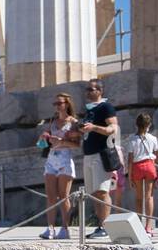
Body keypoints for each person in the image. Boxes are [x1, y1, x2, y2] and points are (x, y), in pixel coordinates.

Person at [81, 79, 119, 239]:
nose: (88, 92)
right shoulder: (88, 109)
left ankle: (105, 226)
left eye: (92, 89)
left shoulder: (106, 107)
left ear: (100, 91)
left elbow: (113, 128)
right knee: (94, 193)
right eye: (87, 89)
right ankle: (100, 225)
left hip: (101, 154)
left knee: (103, 191)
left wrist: (94, 127)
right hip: (88, 154)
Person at [39, 93, 81, 239]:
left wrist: (61, 142)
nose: (57, 106)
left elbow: (77, 144)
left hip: (65, 160)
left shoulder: (74, 122)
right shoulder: (52, 121)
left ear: (66, 104)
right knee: (50, 196)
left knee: (64, 196)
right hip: (51, 159)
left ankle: (65, 228)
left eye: (59, 103)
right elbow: (46, 139)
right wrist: (44, 137)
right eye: (55, 104)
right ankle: (50, 228)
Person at [127, 112, 158, 232]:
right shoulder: (153, 138)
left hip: (137, 167)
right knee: (149, 197)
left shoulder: (132, 139)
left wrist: (129, 177)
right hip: (150, 166)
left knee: (138, 198)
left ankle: (140, 225)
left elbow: (130, 160)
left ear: (136, 124)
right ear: (149, 125)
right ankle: (149, 226)